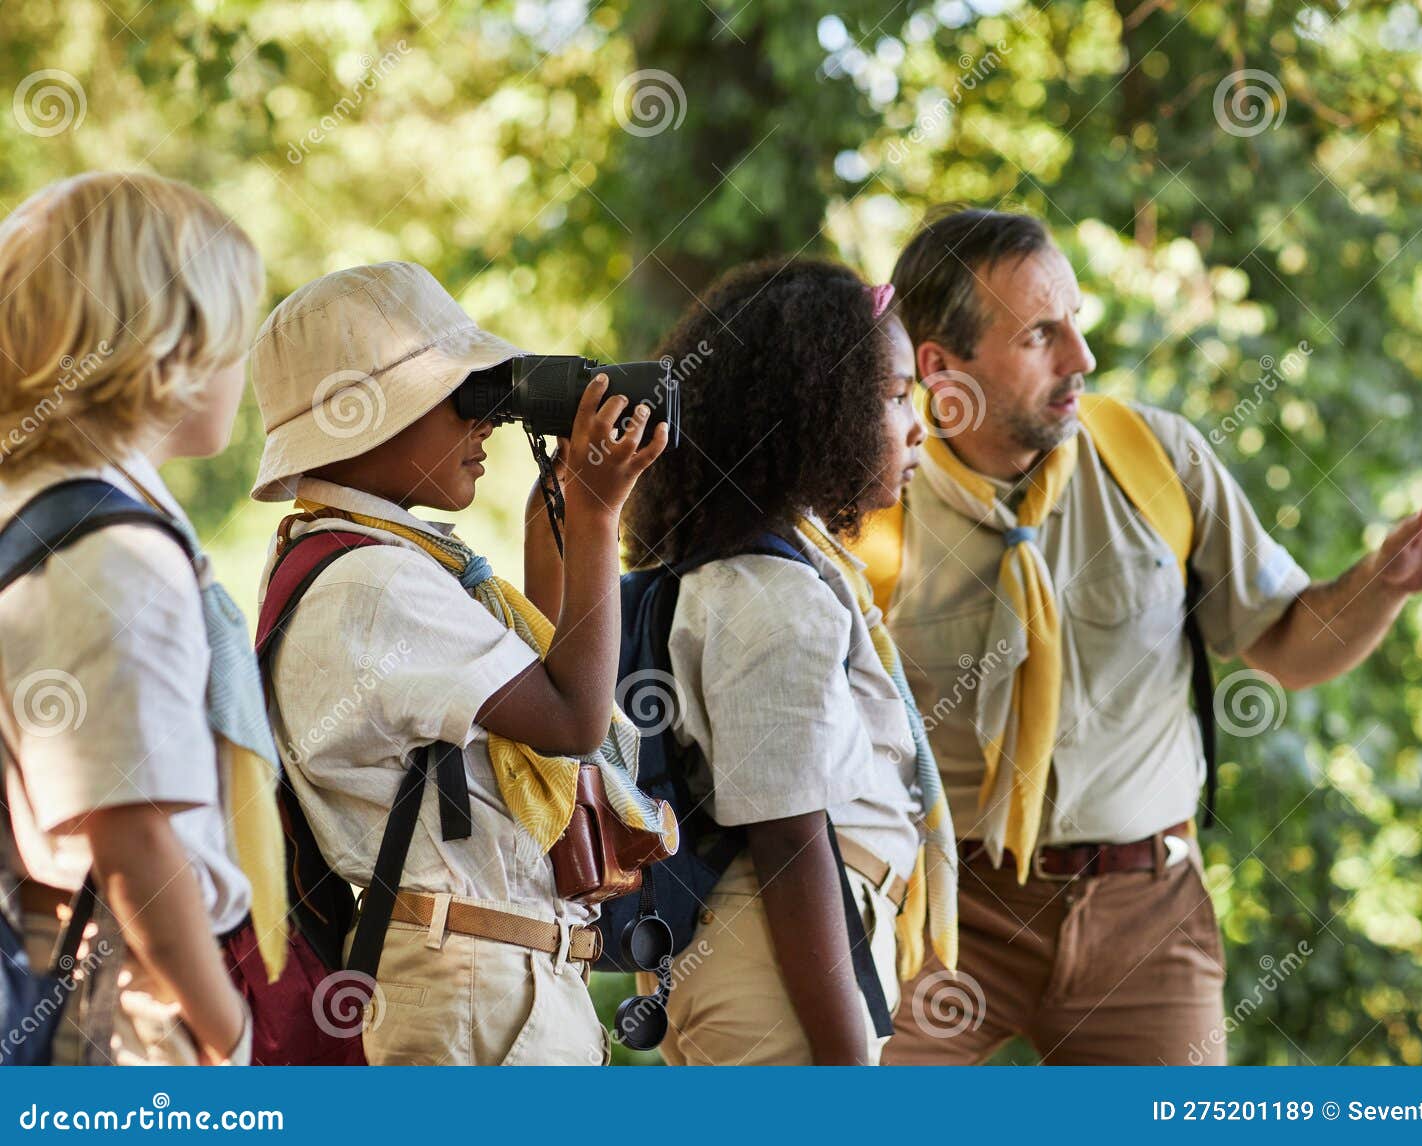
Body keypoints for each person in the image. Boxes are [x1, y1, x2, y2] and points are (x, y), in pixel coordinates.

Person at [873, 208, 1422, 1066]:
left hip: (1142, 910)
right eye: (1040, 335)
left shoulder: (1157, 458)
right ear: (940, 368)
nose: (1082, 357)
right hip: (945, 909)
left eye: (1076, 319)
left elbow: (1288, 647)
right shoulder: (871, 501)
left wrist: (1384, 582)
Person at [247, 261, 668, 1065]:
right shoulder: (376, 582)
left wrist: (570, 507)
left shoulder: (361, 560)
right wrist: (598, 516)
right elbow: (574, 720)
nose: (488, 420)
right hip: (472, 996)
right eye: (462, 394)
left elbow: (546, 667)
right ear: (365, 419)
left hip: (478, 983)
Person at [599, 259, 956, 1065]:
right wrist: (844, 1061)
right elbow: (790, 844)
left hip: (781, 953)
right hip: (777, 967)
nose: (919, 424)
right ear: (817, 408)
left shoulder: (772, 564)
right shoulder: (770, 598)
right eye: (897, 396)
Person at [0, 171, 278, 1065]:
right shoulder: (120, 552)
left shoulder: (29, 509)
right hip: (117, 999)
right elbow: (132, 835)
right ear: (173, 347)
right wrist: (222, 1031)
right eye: (235, 338)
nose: (244, 371)